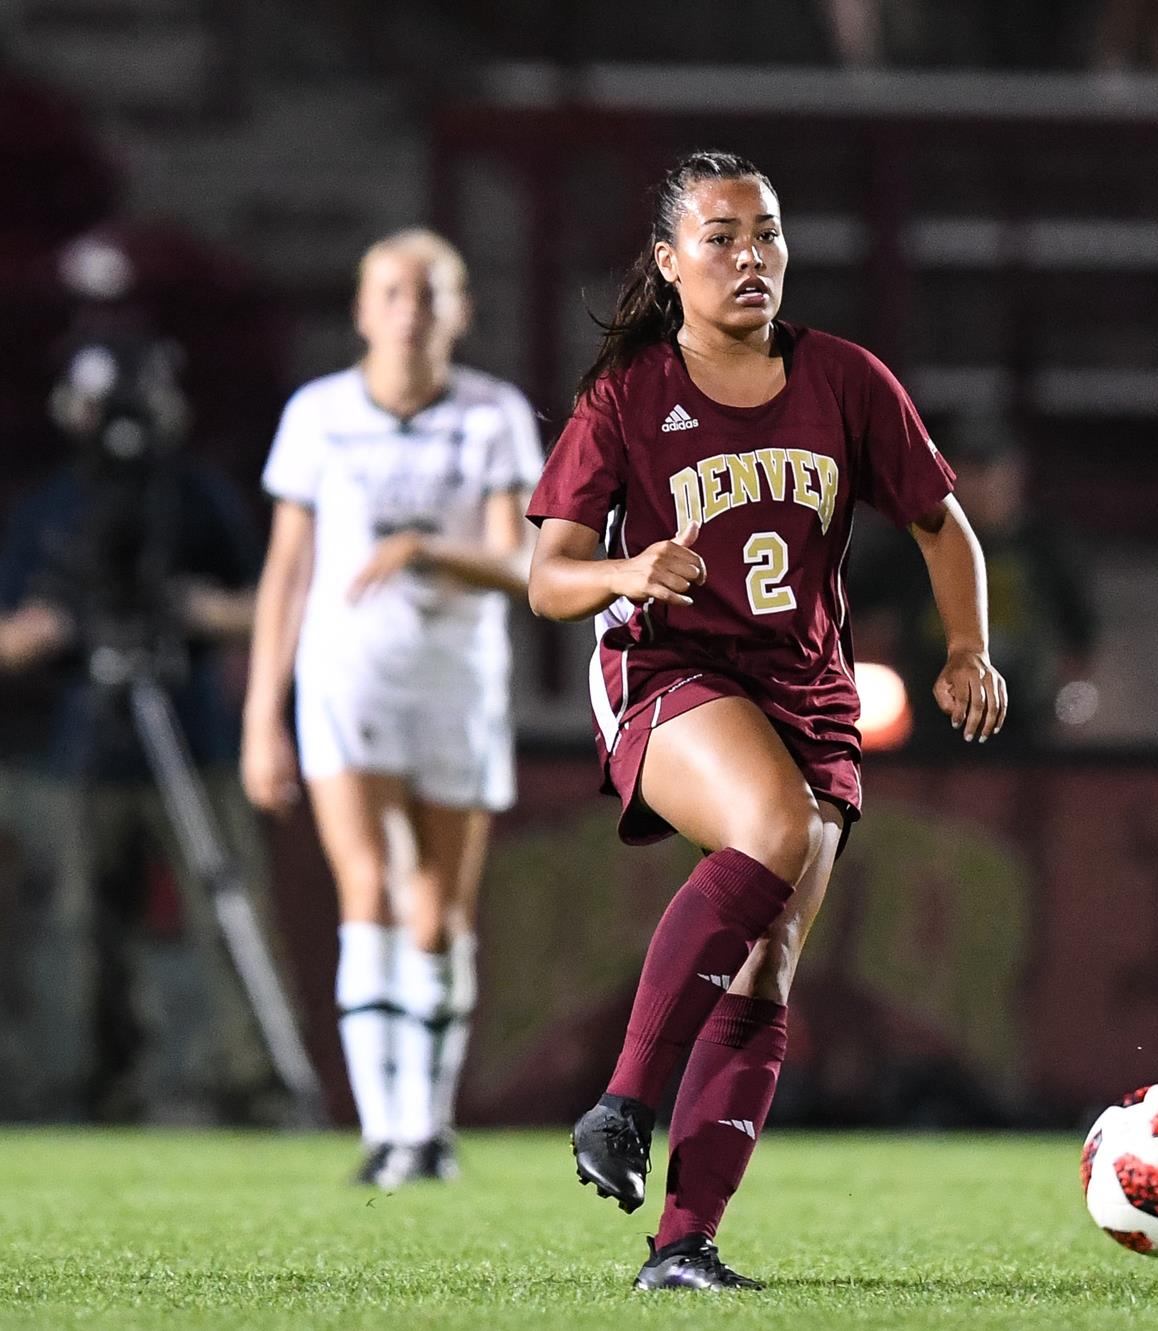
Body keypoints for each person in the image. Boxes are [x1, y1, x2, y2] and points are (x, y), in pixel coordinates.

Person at [526, 149, 1007, 1293]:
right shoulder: (628, 393)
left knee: (766, 968)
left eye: (768, 233)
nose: (751, 257)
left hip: (807, 688)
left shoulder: (843, 377)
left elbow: (941, 525)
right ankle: (625, 1099)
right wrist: (626, 567)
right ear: (666, 260)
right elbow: (545, 576)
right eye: (720, 236)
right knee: (775, 826)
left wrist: (966, 647)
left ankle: (679, 1246)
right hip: (672, 667)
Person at [240, 228, 542, 1187]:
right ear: (363, 311)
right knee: (367, 883)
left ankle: (430, 1122)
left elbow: (528, 562)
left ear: (460, 311)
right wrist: (262, 714)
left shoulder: (493, 415)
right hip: (347, 676)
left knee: (438, 907)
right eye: (392, 291)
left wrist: (426, 550)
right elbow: (287, 572)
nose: (410, 308)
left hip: (457, 680)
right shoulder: (319, 416)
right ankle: (386, 1129)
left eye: (430, 292)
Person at [0, 333, 268, 1122]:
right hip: (75, 740)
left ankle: (246, 1083)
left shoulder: (197, 495)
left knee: (227, 904)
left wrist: (192, 608)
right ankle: (78, 1084)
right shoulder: (48, 505)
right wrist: (55, 626)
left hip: (192, 735)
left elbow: (267, 603)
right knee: (75, 922)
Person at [856, 411, 1096, 746]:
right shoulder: (912, 545)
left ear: (1016, 474)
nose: (982, 485)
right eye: (969, 471)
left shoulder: (1045, 548)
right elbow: (851, 609)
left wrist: (1068, 709)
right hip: (931, 725)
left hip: (1027, 727)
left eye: (991, 470)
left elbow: (1079, 640)